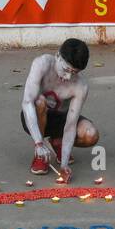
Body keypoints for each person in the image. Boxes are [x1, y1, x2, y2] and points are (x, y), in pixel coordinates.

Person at [20, 38, 98, 182]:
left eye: (74, 73)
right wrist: (38, 143)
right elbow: (27, 102)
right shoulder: (41, 64)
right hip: (36, 116)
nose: (68, 77)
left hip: (60, 119)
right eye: (66, 70)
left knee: (91, 134)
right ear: (57, 56)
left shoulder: (81, 86)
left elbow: (70, 126)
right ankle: (40, 154)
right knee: (39, 101)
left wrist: (64, 165)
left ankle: (57, 142)